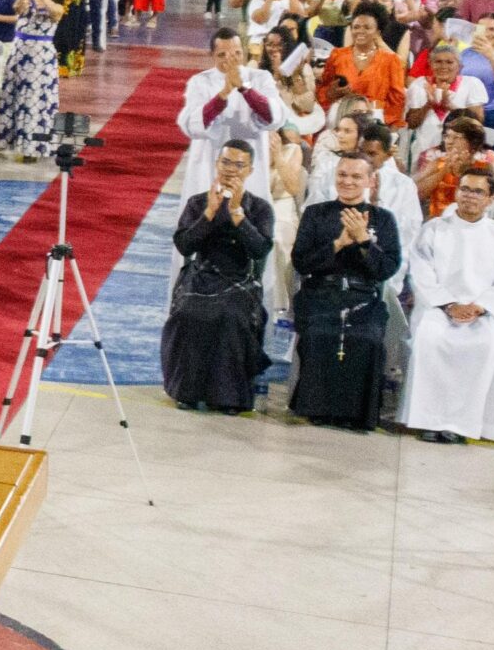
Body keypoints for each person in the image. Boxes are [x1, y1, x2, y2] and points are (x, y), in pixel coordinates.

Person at [402, 169, 494, 445]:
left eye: (478, 191)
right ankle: (429, 420)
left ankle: (463, 424)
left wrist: (479, 307)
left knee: (486, 343)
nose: (469, 196)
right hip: (439, 307)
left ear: (490, 198)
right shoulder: (433, 229)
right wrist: (449, 304)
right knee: (431, 337)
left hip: (482, 312)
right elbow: (421, 273)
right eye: (465, 189)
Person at [289, 151, 402, 431]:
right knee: (320, 334)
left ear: (369, 181)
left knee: (367, 339)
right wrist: (337, 244)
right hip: (320, 294)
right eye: (342, 175)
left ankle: (356, 412)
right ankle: (316, 407)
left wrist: (364, 241)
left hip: (363, 298)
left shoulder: (384, 219)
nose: (348, 182)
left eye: (356, 176)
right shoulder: (316, 213)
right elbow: (301, 262)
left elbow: (387, 268)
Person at [161, 139, 272, 413]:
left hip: (238, 280)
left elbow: (260, 250)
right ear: (216, 164)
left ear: (249, 170)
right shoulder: (198, 202)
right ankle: (186, 390)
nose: (231, 170)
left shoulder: (259, 208)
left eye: (238, 165)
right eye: (225, 163)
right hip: (202, 275)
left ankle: (228, 396)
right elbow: (185, 245)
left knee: (231, 317)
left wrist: (237, 215)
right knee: (189, 312)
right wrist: (210, 213)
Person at [177, 28, 282, 200]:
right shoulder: (200, 82)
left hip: (249, 170)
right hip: (208, 164)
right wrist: (223, 95)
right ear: (212, 55)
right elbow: (192, 124)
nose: (230, 60)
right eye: (222, 55)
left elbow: (273, 116)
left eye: (236, 53)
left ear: (244, 53)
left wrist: (244, 88)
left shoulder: (261, 78)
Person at [0, 0, 62, 160]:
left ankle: (33, 147)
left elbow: (54, 14)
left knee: (34, 99)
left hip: (40, 56)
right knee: (11, 94)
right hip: (19, 50)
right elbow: (16, 8)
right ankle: (6, 140)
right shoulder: (28, 0)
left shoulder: (57, 6)